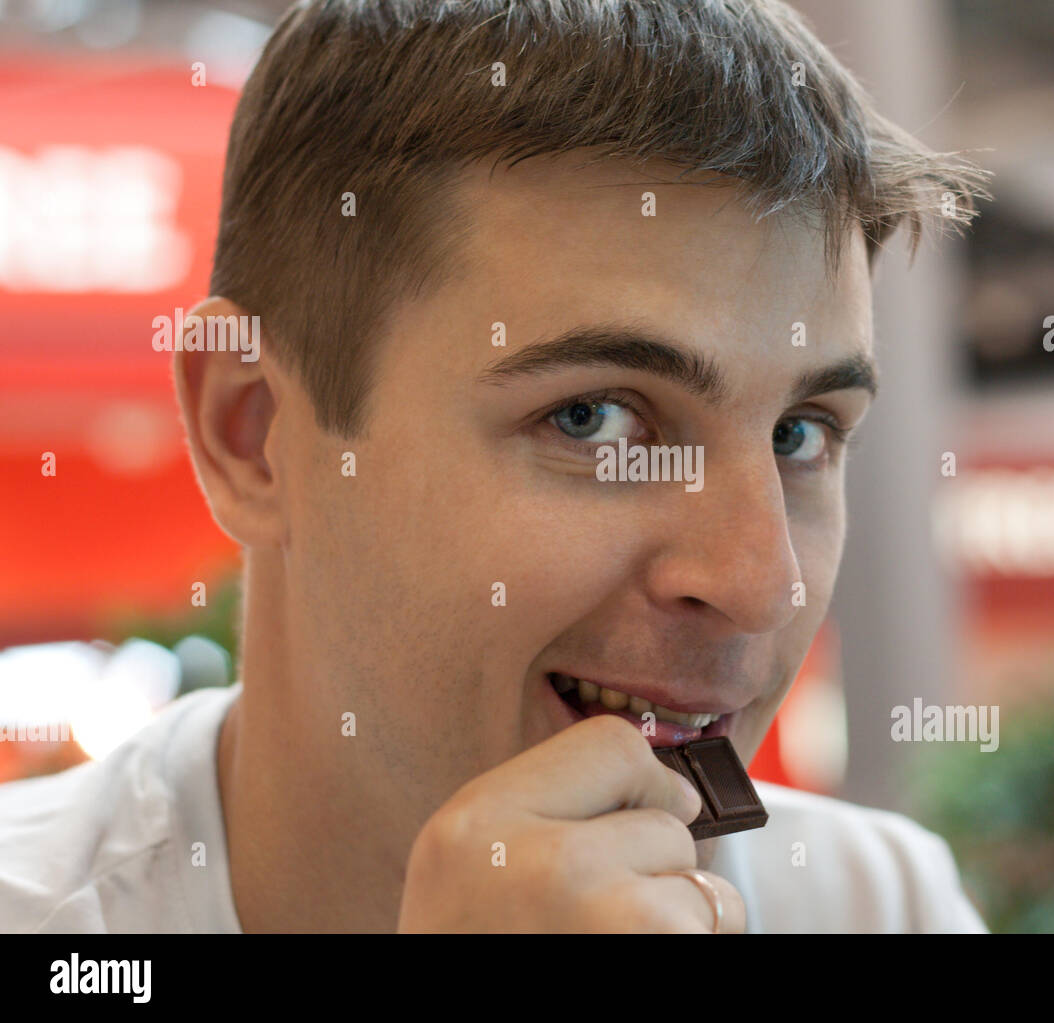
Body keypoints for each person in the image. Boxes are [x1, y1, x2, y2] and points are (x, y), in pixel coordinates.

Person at [0, 0, 989, 933]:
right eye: (593, 420)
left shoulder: (879, 905)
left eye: (799, 434)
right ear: (252, 432)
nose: (761, 585)